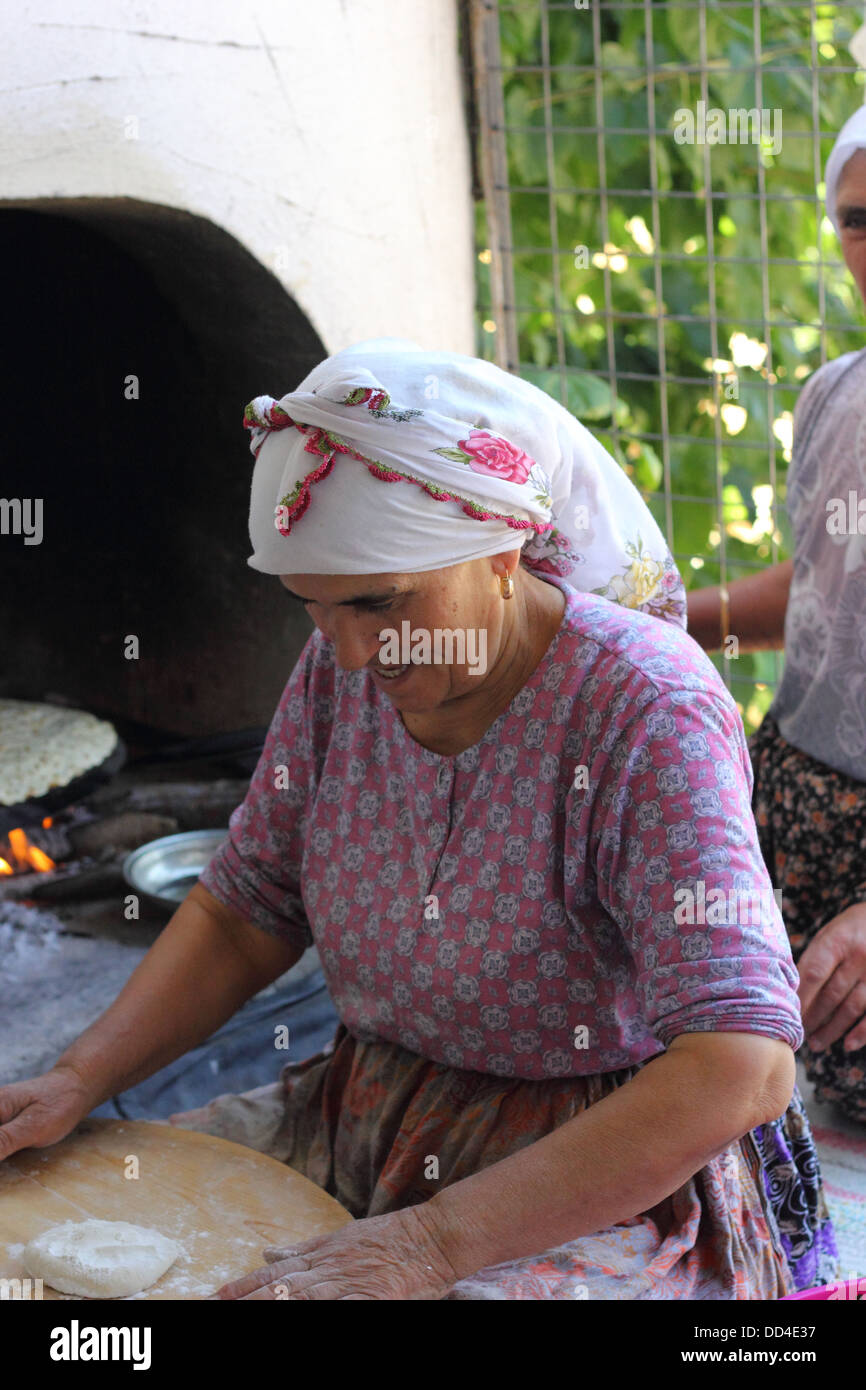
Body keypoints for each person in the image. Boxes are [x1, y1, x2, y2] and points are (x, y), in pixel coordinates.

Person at [0, 341, 838, 1299]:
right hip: (367, 1110)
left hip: (605, 1172)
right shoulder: (337, 676)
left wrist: (429, 1246)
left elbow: (740, 1069)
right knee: (70, 1248)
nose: (353, 657)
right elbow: (245, 910)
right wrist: (79, 1076)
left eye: (380, 605)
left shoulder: (646, 710)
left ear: (502, 549)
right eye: (316, 612)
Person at [687, 104, 866, 1127]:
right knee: (721, 1056)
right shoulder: (834, 397)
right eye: (855, 218)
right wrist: (648, 621)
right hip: (795, 814)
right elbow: (816, 591)